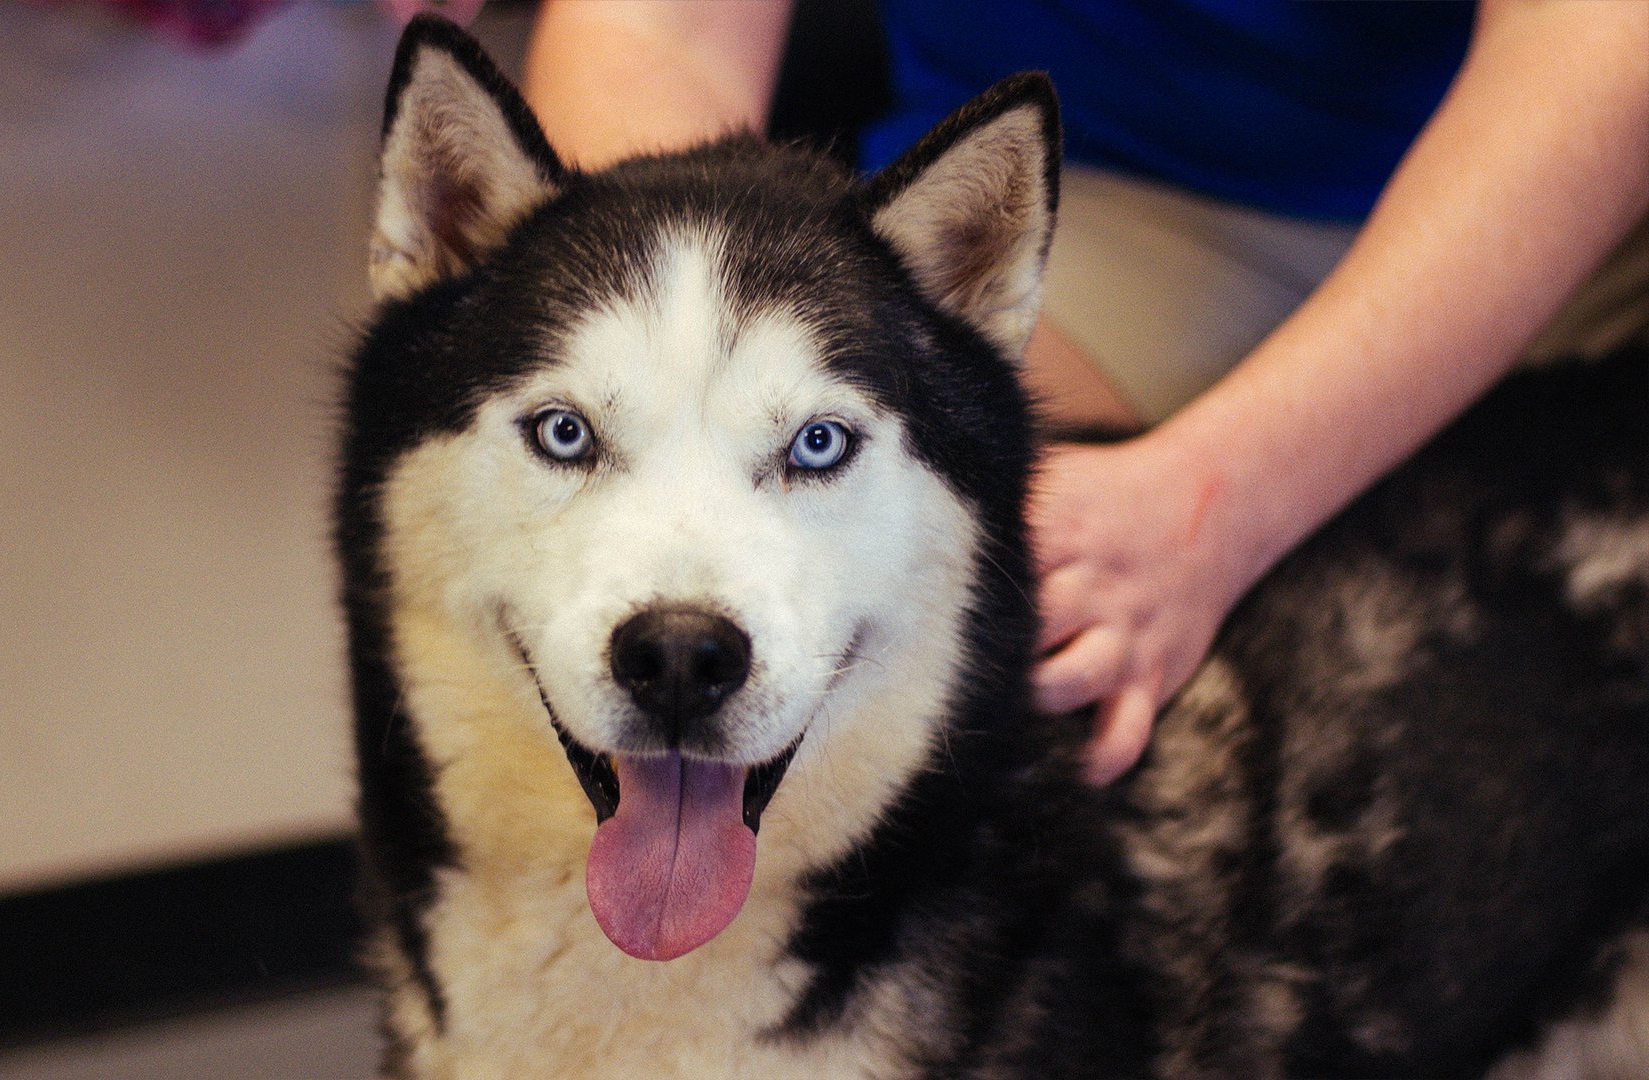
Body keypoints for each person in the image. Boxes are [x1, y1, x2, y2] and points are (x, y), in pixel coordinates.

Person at [518, 0, 1649, 786]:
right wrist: (664, 431)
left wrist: (1219, 500)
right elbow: (659, 29)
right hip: (1079, 177)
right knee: (957, 636)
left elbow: (1592, 30)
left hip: (1566, 166)